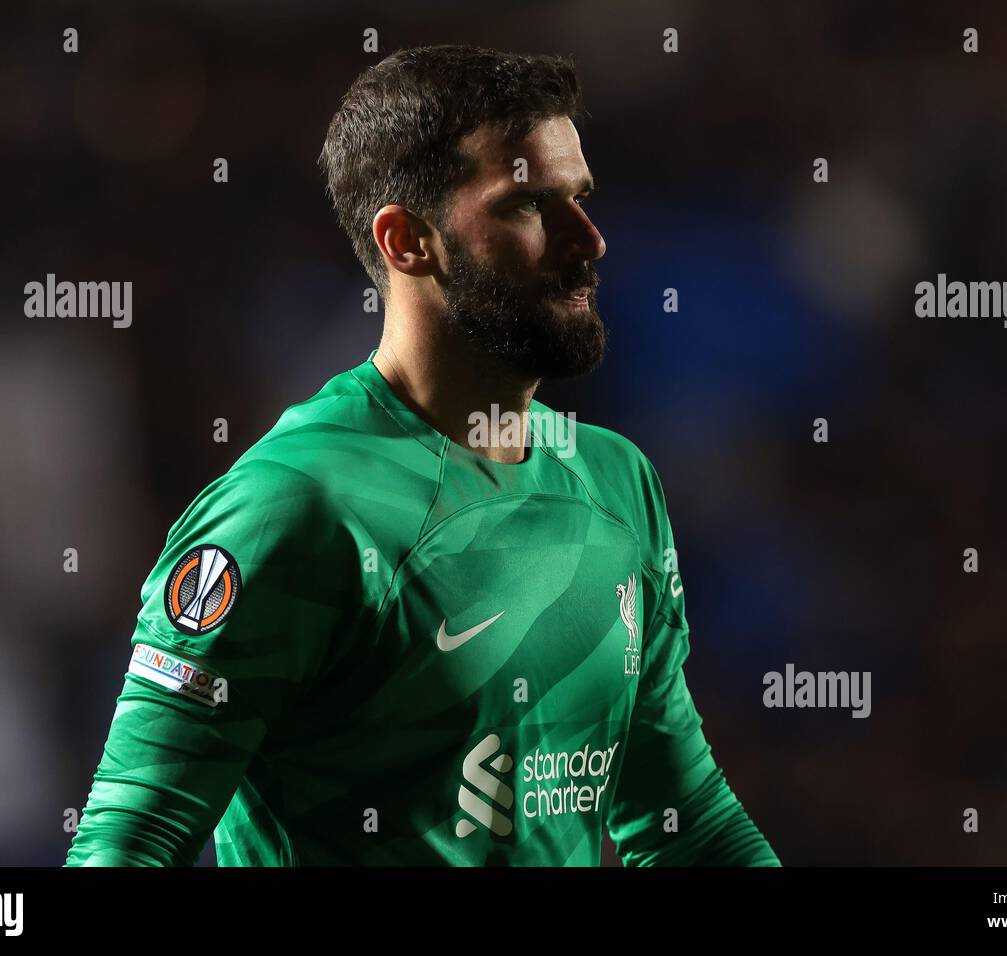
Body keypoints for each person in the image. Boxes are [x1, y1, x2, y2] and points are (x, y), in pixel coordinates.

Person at [66, 43, 779, 866]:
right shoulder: (293, 511)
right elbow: (125, 848)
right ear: (409, 241)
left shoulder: (618, 482)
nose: (590, 240)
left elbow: (683, 820)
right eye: (527, 205)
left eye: (581, 198)